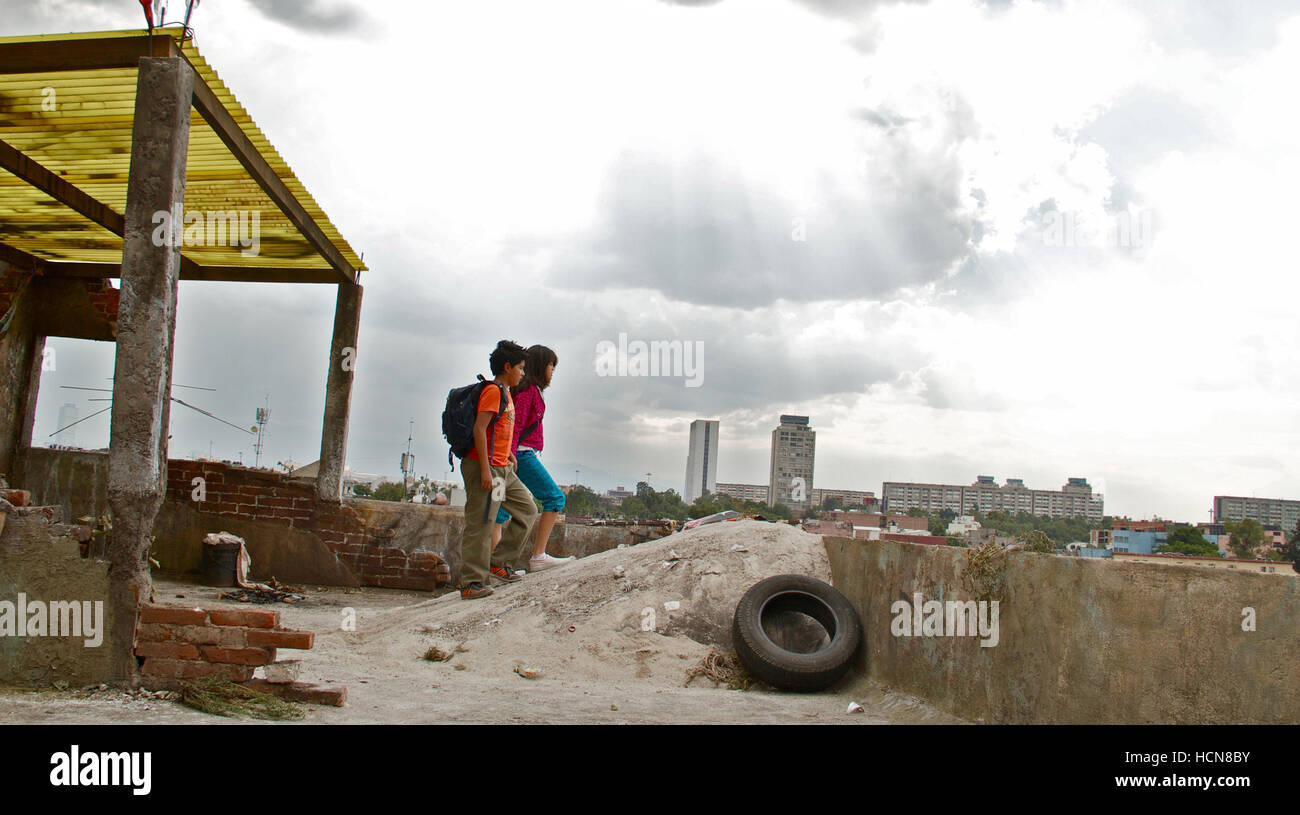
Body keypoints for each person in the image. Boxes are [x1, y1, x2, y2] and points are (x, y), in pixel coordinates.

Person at [457, 340, 539, 600]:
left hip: (502, 467)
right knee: (482, 523)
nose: (523, 373)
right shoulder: (493, 392)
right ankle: (472, 582)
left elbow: (498, 429)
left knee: (527, 509)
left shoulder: (506, 393)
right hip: (486, 467)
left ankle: (499, 562)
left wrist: (509, 454)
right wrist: (484, 470)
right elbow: (479, 429)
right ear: (507, 367)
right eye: (521, 368)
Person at [491, 344, 574, 572]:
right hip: (521, 454)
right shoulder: (529, 391)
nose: (552, 372)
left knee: (500, 511)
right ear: (541, 366)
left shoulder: (522, 389)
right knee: (555, 498)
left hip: (508, 455)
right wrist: (510, 453)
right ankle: (538, 556)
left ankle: (496, 567)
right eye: (551, 366)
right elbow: (515, 426)